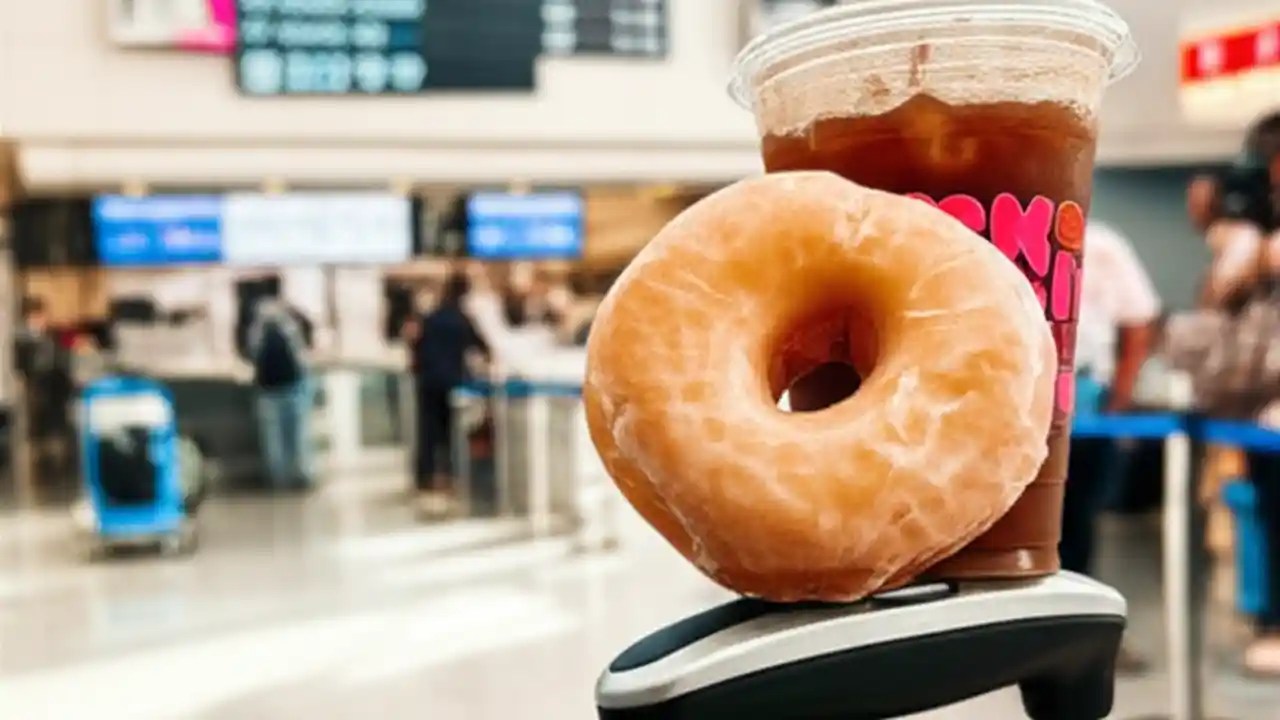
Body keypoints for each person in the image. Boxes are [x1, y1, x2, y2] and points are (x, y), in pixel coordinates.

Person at [1065, 219, 1161, 671]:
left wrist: (1118, 400)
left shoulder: (1101, 243)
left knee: (1076, 523)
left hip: (1084, 403)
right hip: (1022, 401)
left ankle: (1085, 639)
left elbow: (1139, 321)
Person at [413, 271, 491, 515]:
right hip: (453, 383)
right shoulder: (463, 319)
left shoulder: (431, 317)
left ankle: (425, 476)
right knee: (451, 433)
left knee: (427, 431)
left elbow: (417, 347)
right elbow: (481, 347)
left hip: (428, 382)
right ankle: (451, 474)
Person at [244, 297, 315, 491]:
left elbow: (252, 355)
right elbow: (301, 358)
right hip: (291, 387)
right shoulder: (289, 328)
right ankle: (300, 475)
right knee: (297, 436)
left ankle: (279, 478)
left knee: (274, 440)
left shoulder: (258, 331)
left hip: (269, 390)